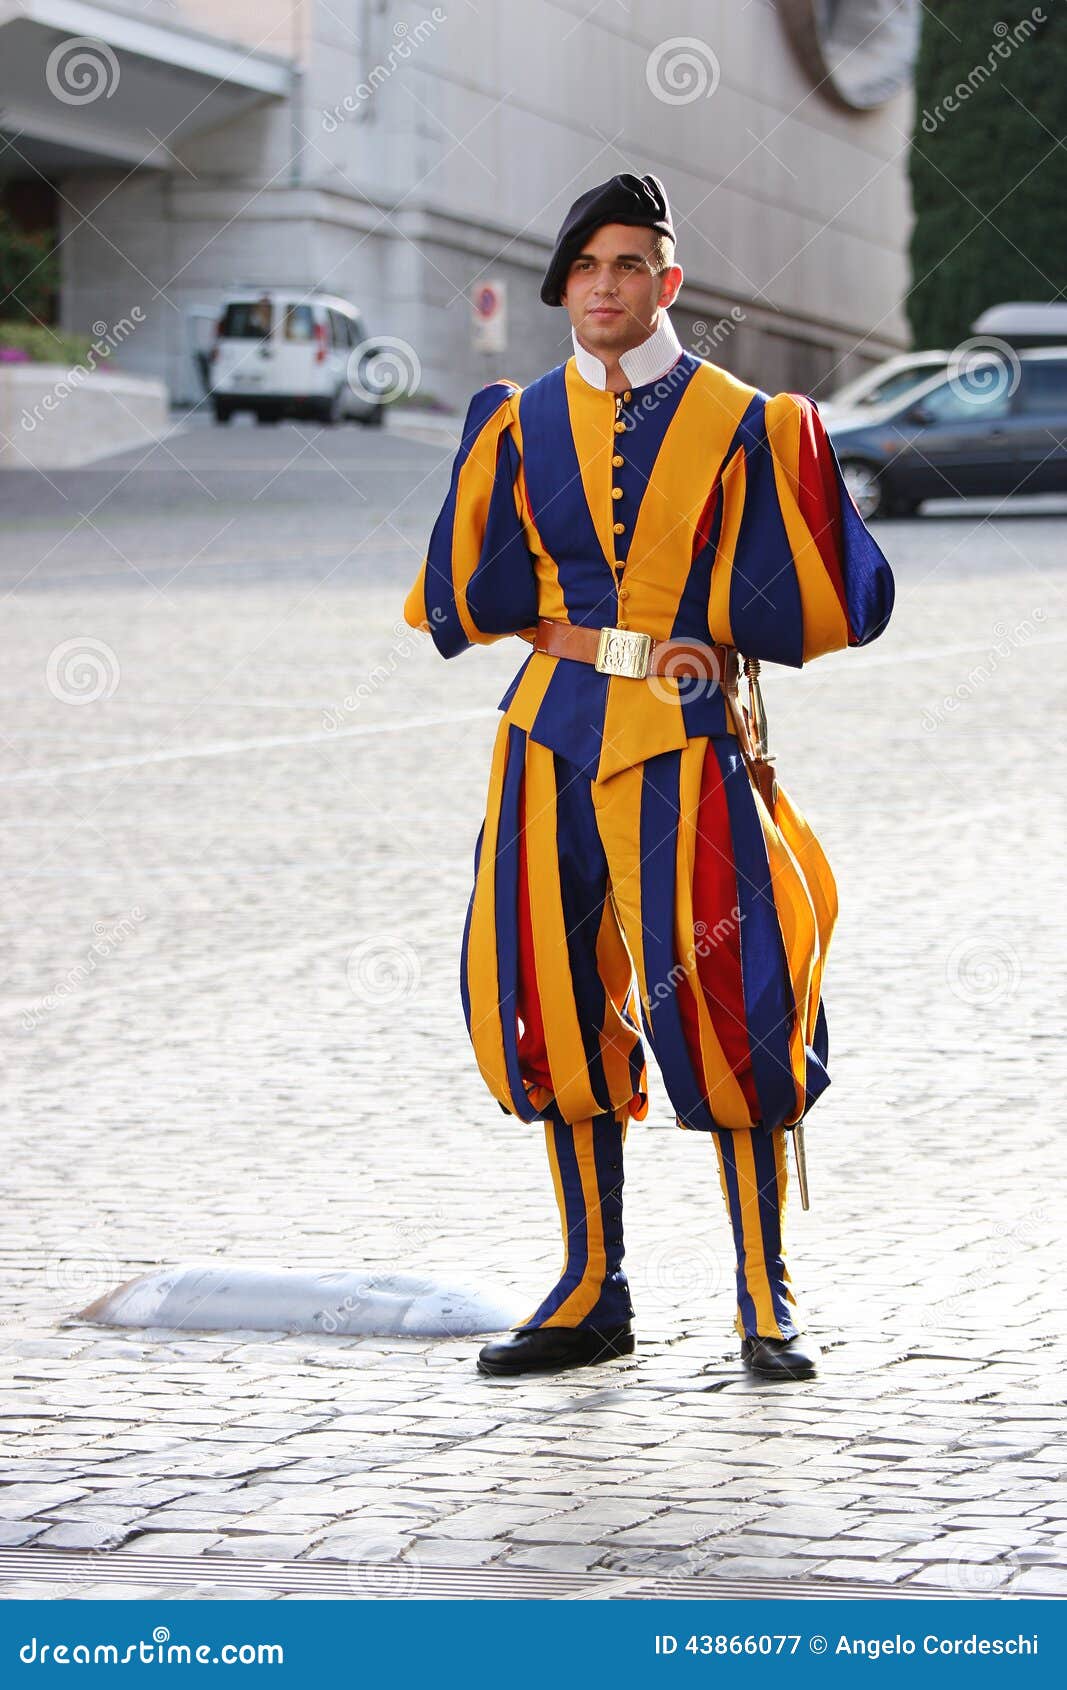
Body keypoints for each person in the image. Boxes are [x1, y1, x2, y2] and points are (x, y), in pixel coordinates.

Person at [403, 173, 894, 1382]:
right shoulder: (515, 421)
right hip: (546, 738)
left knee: (733, 992)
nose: (605, 286)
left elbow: (821, 596)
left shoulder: (744, 421)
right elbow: (463, 594)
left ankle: (762, 1295)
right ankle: (588, 1289)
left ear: (666, 281)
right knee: (550, 998)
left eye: (628, 265)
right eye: (585, 268)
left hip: (683, 735)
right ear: (562, 287)